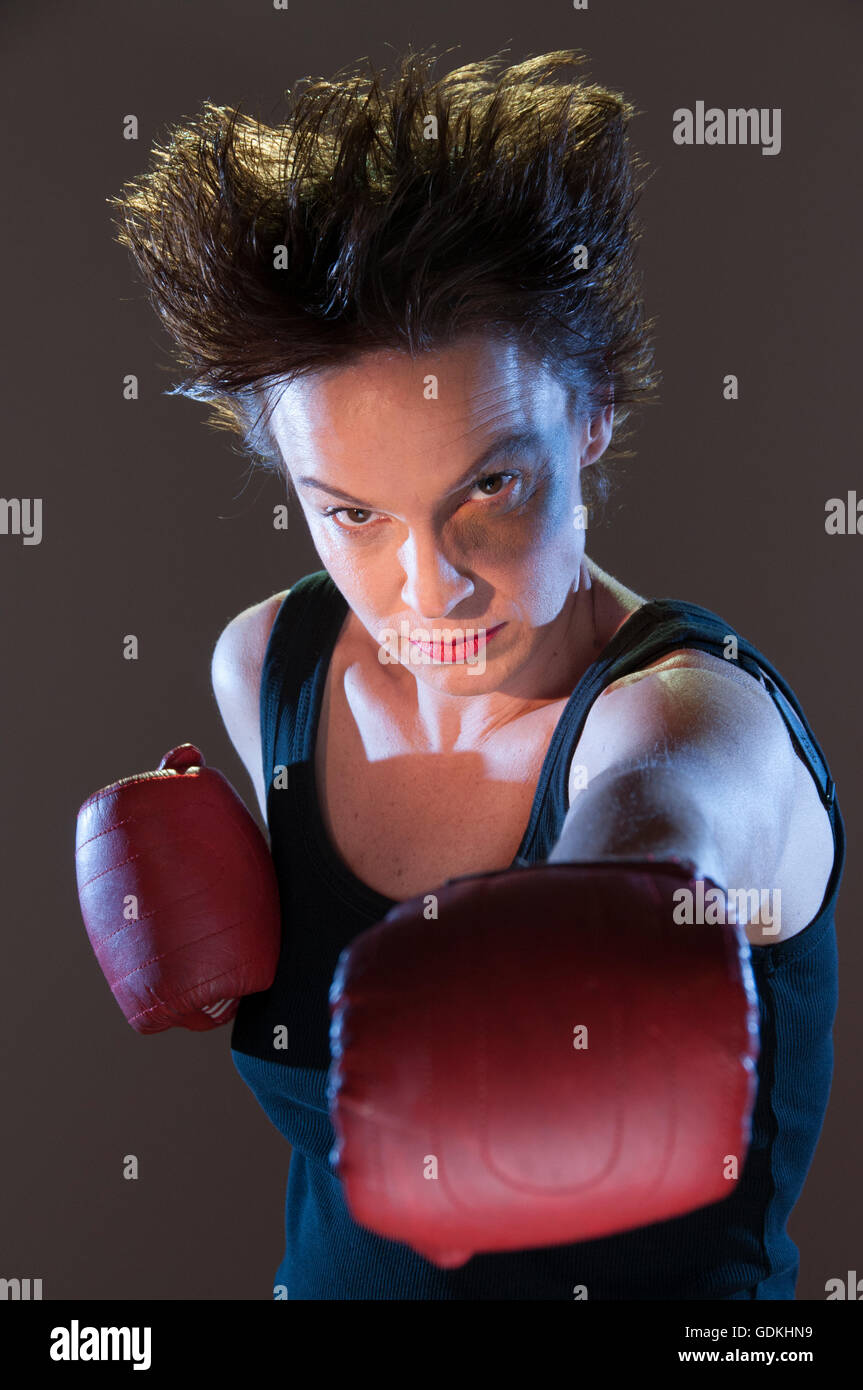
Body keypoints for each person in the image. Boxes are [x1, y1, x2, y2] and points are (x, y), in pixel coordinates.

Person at [109, 46, 844, 1299]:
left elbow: (661, 825)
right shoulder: (267, 667)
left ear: (592, 412)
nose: (429, 587)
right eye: (352, 514)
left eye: (490, 485)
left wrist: (597, 934)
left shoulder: (693, 724)